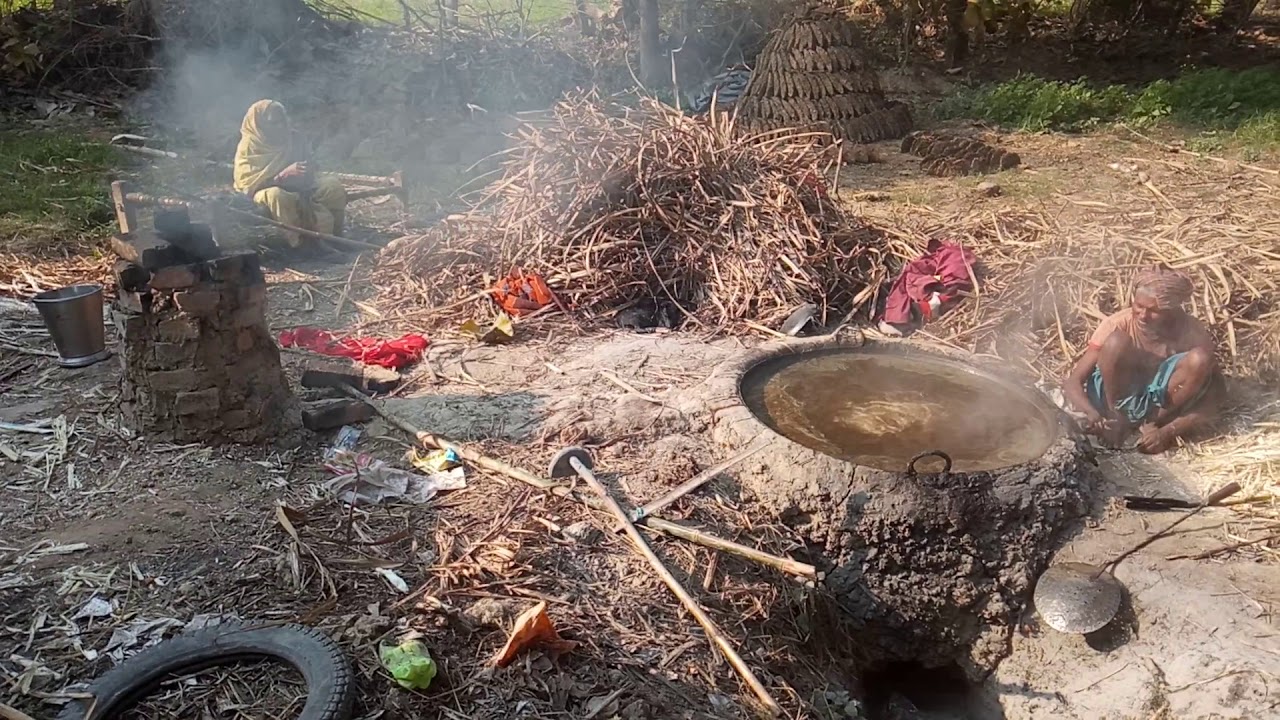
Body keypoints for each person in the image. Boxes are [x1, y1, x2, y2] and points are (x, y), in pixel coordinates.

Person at [1061, 264, 1222, 454]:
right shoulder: (1118, 323)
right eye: (1138, 306)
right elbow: (1073, 381)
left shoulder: (1191, 331)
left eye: (1154, 311)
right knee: (1115, 342)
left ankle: (1151, 422)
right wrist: (1092, 414)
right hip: (1115, 401)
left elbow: (1216, 396)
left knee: (1199, 359)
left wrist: (1167, 431)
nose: (1143, 316)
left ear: (1171, 311)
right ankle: (1118, 419)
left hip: (1161, 409)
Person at [233, 99, 347, 247]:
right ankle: (298, 245)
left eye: (283, 120)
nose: (281, 126)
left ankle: (336, 238)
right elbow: (248, 188)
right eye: (274, 123)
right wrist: (281, 177)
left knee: (332, 186)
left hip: (299, 187)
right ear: (259, 124)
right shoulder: (249, 147)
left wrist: (307, 170)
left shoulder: (294, 138)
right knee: (276, 195)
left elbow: (309, 164)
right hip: (265, 190)